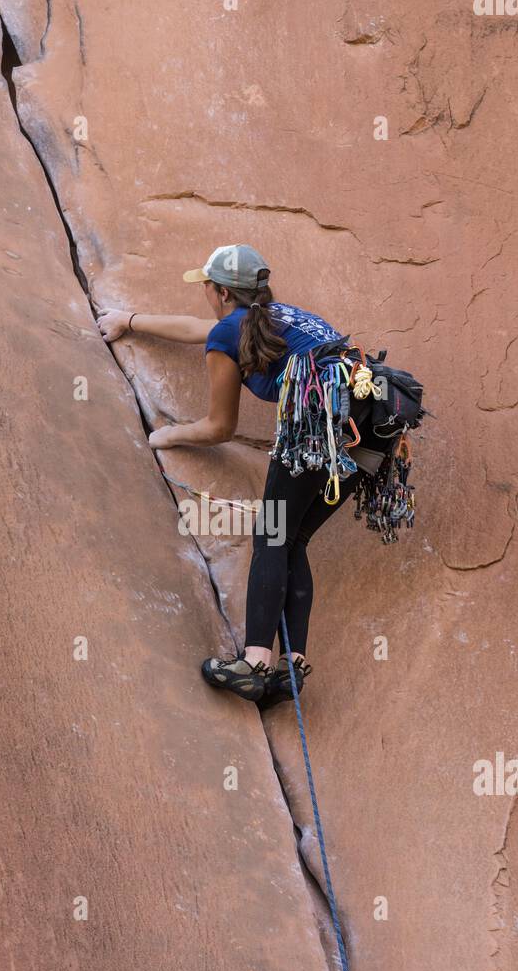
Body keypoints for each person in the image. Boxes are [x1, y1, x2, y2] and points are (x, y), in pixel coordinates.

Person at [97, 244, 380, 705]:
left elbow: (219, 427)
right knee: (293, 538)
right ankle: (290, 667)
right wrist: (130, 320)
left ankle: (254, 663)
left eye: (206, 286)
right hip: (368, 428)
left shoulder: (232, 331)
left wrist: (166, 437)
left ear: (222, 292)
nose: (204, 294)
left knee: (271, 536)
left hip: (319, 423)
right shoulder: (281, 316)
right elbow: (197, 330)